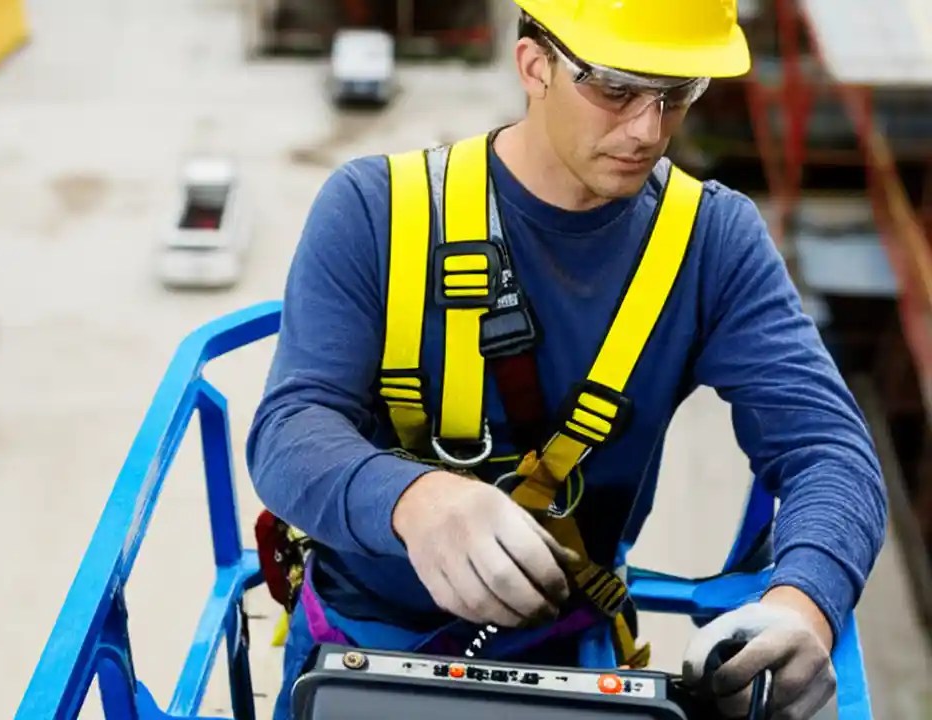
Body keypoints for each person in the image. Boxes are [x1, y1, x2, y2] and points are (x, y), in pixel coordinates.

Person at [246, 1, 888, 720]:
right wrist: (414, 501)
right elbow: (290, 429)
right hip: (370, 641)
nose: (647, 129)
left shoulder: (711, 243)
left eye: (677, 93)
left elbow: (828, 448)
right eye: (615, 89)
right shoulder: (377, 211)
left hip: (568, 653)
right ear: (533, 65)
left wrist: (803, 605)